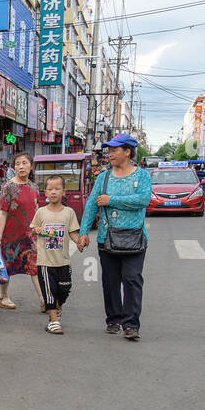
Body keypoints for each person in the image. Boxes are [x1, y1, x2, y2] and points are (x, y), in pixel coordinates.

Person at [78, 133, 152, 341]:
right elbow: (92, 204)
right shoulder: (103, 177)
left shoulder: (142, 176)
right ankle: (113, 319)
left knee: (132, 279)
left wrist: (111, 200)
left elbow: (143, 200)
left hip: (135, 238)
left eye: (114, 150)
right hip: (106, 238)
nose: (110, 154)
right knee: (110, 281)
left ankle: (131, 324)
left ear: (127, 151)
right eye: (109, 150)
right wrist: (84, 232)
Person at [31, 175, 85, 335]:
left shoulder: (69, 213)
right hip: (45, 262)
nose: (53, 192)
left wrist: (79, 242)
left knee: (64, 289)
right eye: (50, 189)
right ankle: (54, 320)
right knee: (48, 292)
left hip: (63, 261)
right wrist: (37, 230)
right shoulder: (41, 212)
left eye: (57, 189)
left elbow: (73, 232)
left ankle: (57, 307)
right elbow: (33, 228)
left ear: (63, 192)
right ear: (45, 193)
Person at [0, 151, 44, 311]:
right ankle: (3, 296)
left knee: (34, 267)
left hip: (30, 235)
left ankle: (44, 300)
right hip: (11, 235)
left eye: (24, 163)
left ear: (31, 166)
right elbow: (3, 212)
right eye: (17, 164)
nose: (21, 167)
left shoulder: (34, 187)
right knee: (6, 267)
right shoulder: (8, 187)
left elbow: (37, 210)